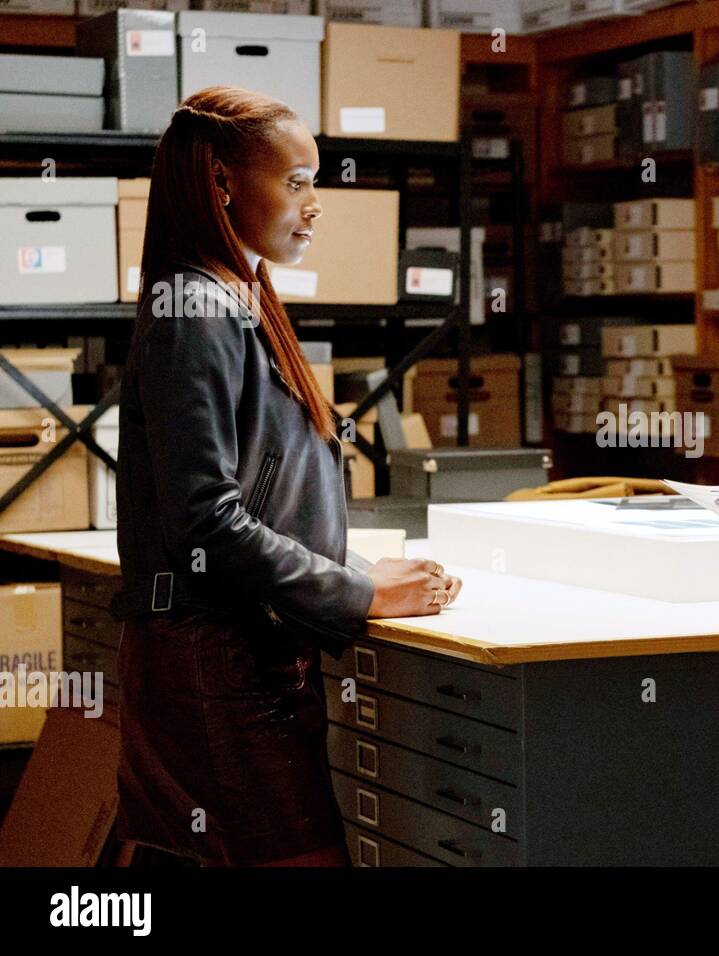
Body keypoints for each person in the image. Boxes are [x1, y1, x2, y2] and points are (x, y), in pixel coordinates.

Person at [110, 86, 462, 867]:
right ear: (224, 184)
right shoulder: (194, 312)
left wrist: (354, 568)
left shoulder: (236, 299)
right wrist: (359, 594)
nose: (315, 204)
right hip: (216, 664)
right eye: (296, 181)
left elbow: (263, 499)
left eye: (316, 182)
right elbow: (205, 520)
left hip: (244, 654)